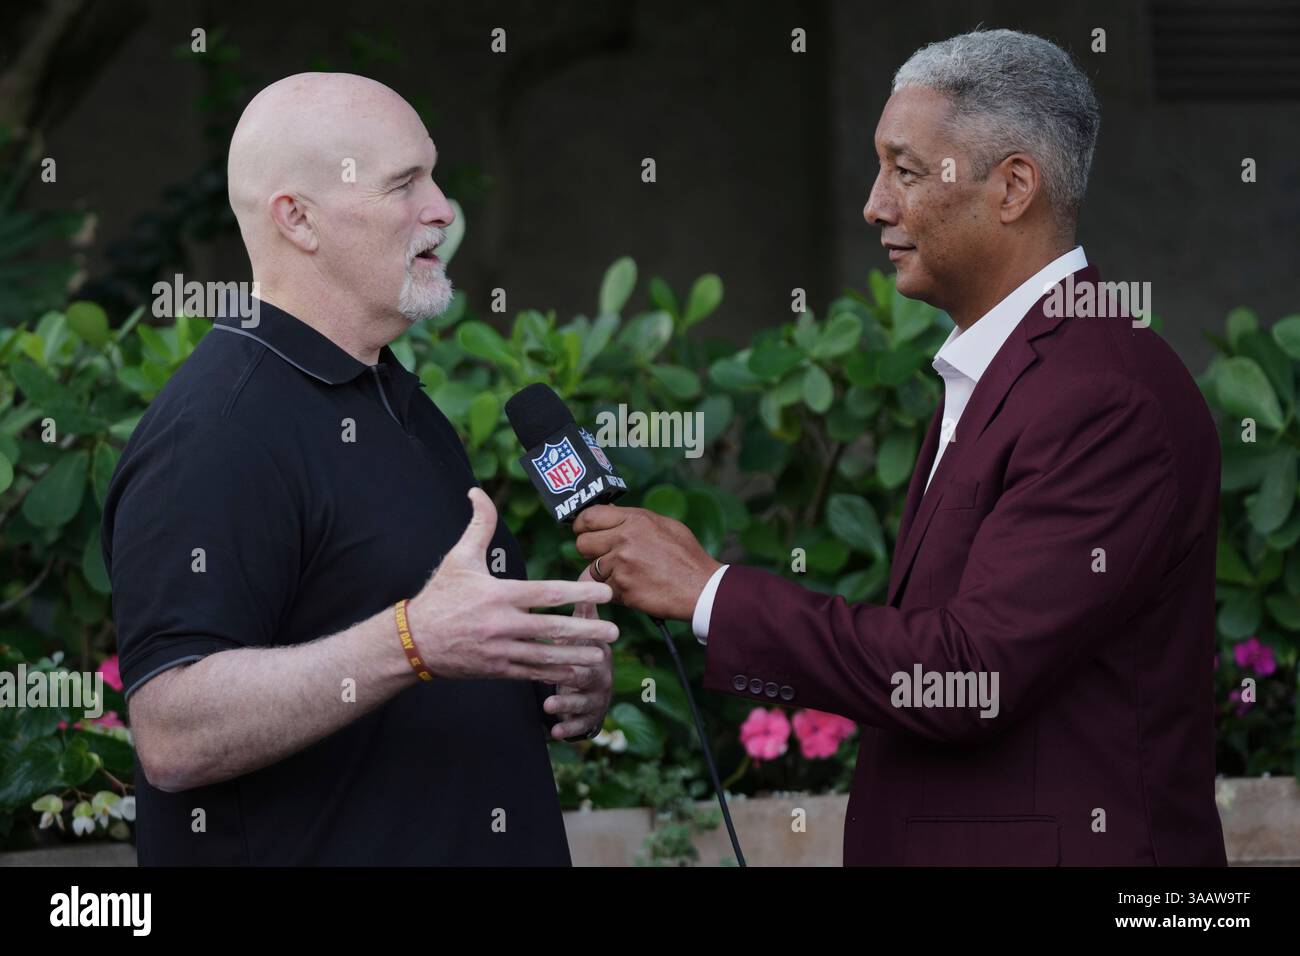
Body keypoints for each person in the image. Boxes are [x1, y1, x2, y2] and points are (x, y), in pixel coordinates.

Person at [574, 29, 1227, 866]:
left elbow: (970, 676)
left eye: (906, 171)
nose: (875, 205)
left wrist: (712, 594)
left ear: (1013, 187)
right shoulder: (1017, 365)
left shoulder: (1103, 393)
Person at [102, 73, 617, 865]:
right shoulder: (216, 431)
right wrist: (412, 641)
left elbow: (418, 657)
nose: (442, 208)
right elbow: (172, 731)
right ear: (298, 219)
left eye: (434, 176)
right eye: (405, 183)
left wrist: (544, 681)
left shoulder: (390, 394)